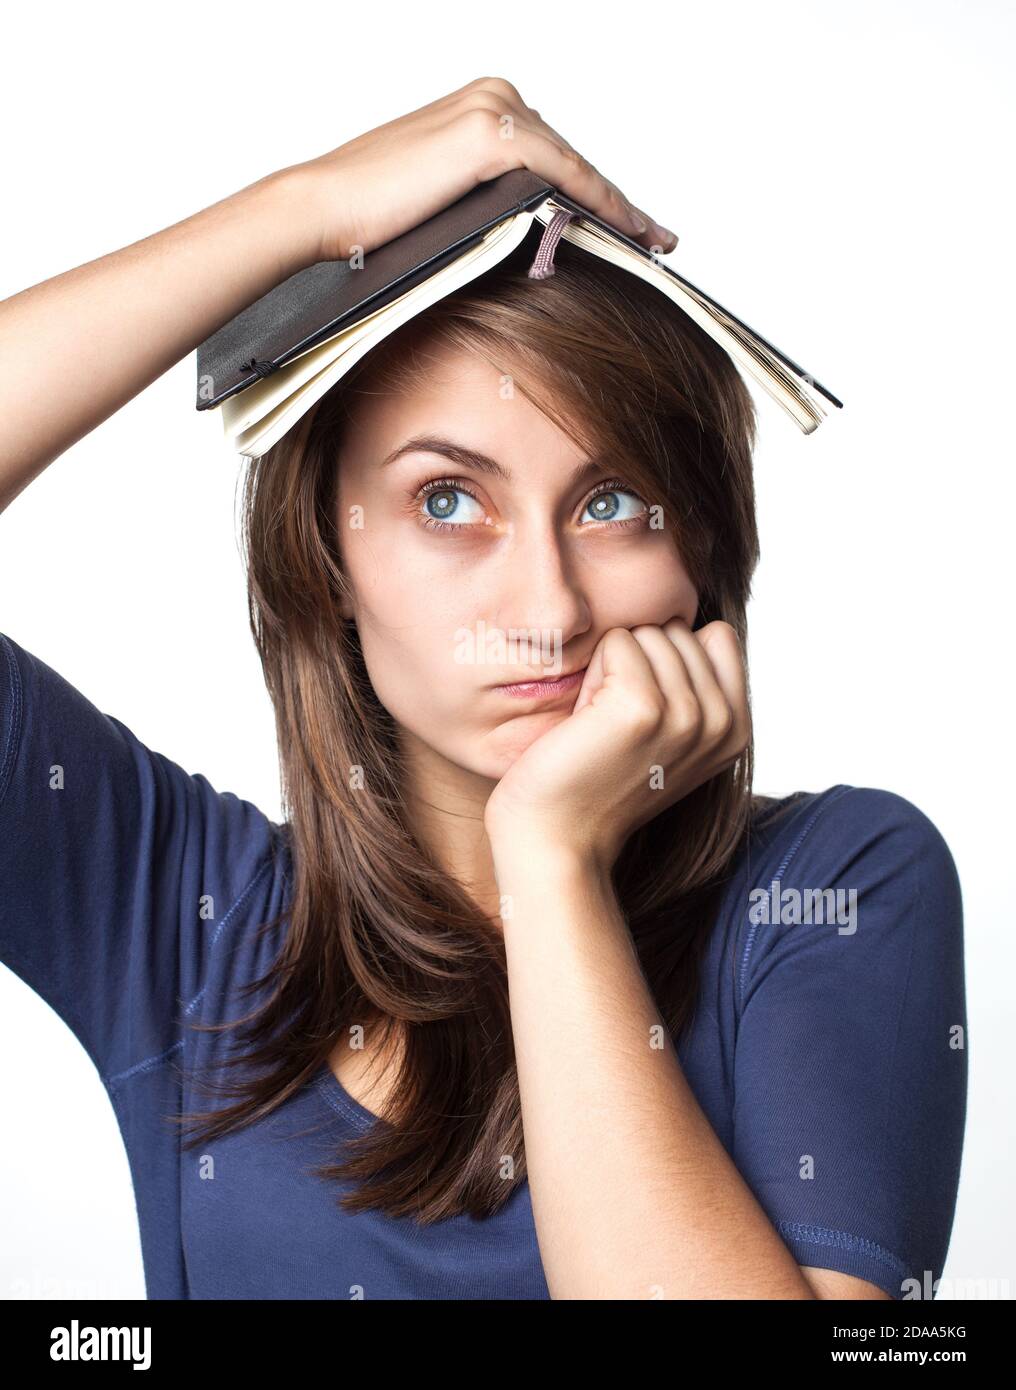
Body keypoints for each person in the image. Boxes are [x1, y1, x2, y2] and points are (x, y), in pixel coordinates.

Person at [0, 76, 966, 1301]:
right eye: (446, 502)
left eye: (611, 502)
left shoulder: (833, 887)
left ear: (702, 549)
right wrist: (304, 209)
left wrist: (549, 861)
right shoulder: (188, 921)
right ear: (329, 553)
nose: (547, 611)